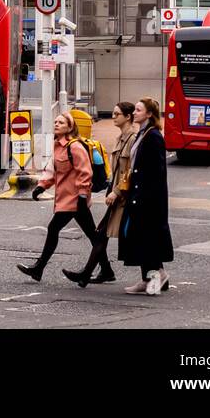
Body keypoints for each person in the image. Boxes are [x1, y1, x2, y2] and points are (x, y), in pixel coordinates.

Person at [16, 113, 108, 282]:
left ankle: (38, 268)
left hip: (74, 199)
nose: (56, 124)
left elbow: (85, 173)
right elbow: (53, 170)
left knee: (53, 229)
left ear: (70, 127)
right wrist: (41, 186)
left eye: (61, 122)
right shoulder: (58, 146)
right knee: (93, 235)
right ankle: (107, 270)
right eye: (55, 121)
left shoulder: (75, 147)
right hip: (67, 198)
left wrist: (81, 195)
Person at [64, 102, 137, 288]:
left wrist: (117, 191)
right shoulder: (121, 138)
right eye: (113, 113)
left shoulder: (132, 139)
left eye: (117, 114)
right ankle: (100, 272)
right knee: (102, 233)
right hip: (117, 194)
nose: (114, 117)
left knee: (127, 236)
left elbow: (129, 171)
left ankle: (89, 274)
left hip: (124, 196)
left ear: (128, 117)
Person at [118, 96, 174, 295]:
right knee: (142, 237)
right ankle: (153, 277)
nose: (135, 113)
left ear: (149, 114)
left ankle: (153, 278)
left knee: (145, 236)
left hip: (148, 198)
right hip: (139, 193)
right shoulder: (143, 134)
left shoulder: (153, 137)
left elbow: (155, 172)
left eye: (139, 110)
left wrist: (142, 196)